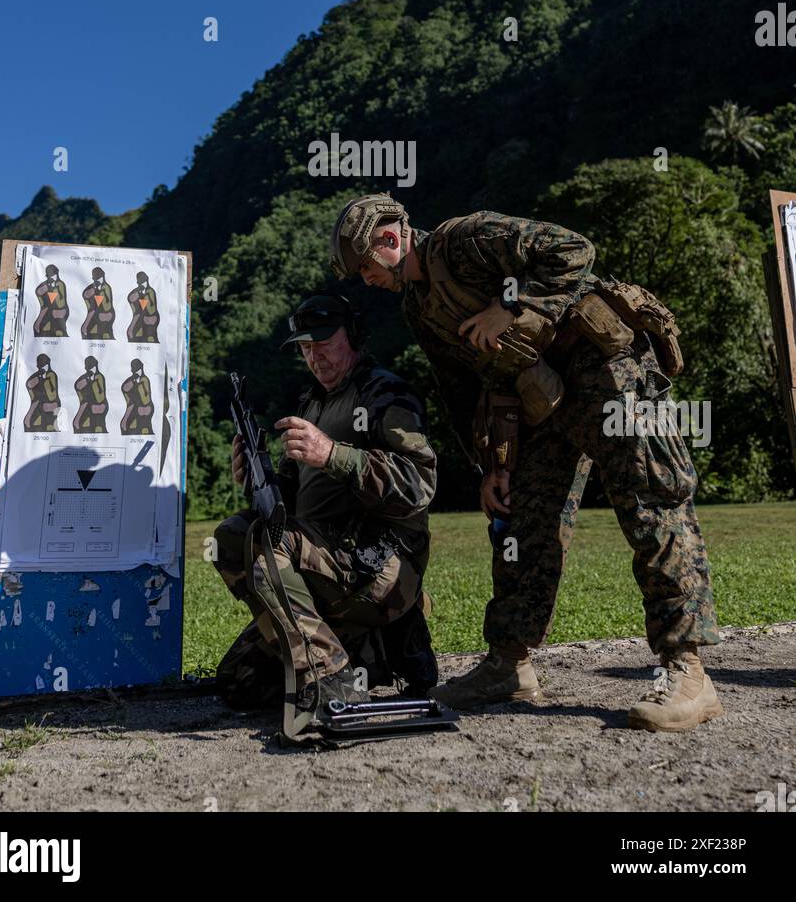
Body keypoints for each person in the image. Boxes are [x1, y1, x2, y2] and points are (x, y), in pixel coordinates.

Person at [329, 194, 724, 733]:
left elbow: (573, 249)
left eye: (365, 267)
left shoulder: (465, 237)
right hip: (541, 399)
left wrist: (511, 307)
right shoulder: (419, 309)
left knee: (651, 500)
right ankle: (508, 665)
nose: (365, 280)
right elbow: (461, 391)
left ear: (391, 240)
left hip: (606, 368)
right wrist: (491, 466)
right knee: (519, 518)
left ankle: (687, 667)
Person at [212, 294, 438, 715]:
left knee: (266, 539)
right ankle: (377, 647)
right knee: (239, 682)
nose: (314, 356)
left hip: (381, 563)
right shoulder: (312, 402)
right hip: (329, 564)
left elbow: (419, 485)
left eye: (323, 342)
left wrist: (334, 454)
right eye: (304, 347)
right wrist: (257, 477)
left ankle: (333, 676)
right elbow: (296, 502)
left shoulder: (384, 393)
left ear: (352, 337)